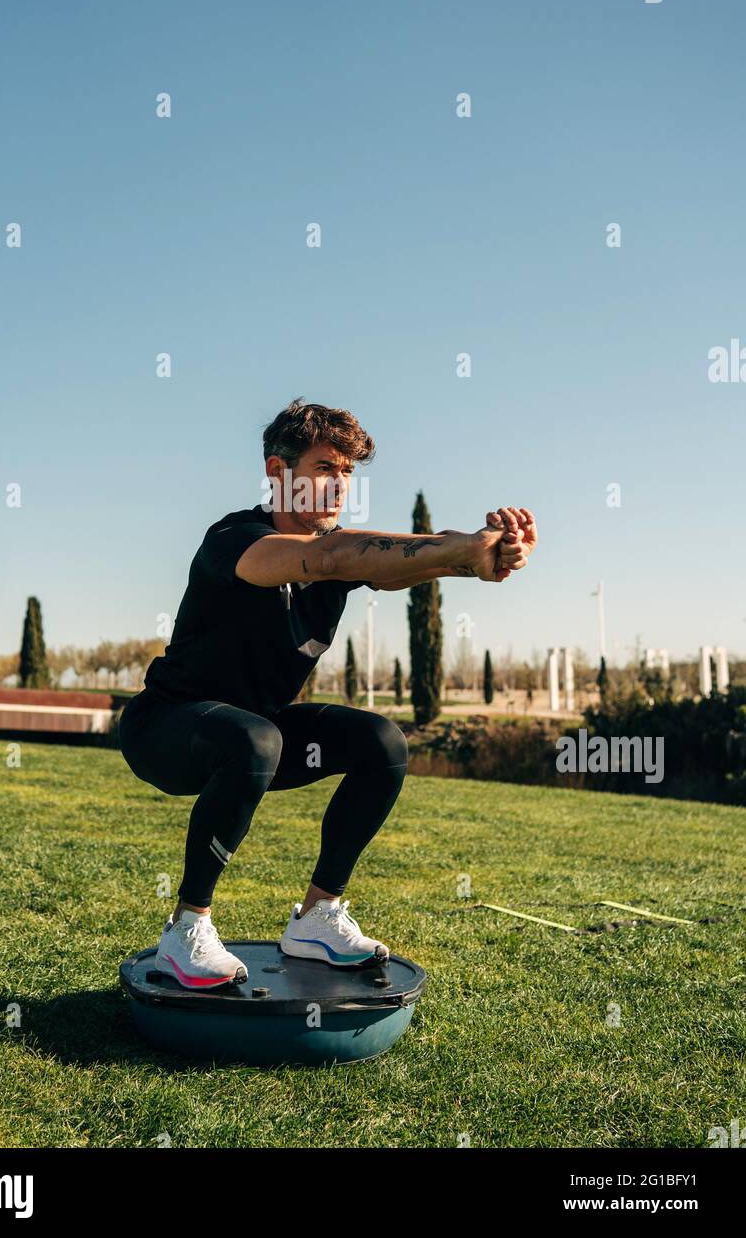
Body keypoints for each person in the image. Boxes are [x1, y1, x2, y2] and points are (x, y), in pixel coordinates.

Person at [119, 399, 537, 989]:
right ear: (277, 471)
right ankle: (186, 929)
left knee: (380, 742)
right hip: (166, 731)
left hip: (255, 734)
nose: (339, 485)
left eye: (347, 473)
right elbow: (327, 558)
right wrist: (463, 550)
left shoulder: (338, 550)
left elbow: (392, 561)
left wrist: (481, 556)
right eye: (324, 469)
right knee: (255, 739)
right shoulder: (236, 538)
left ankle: (318, 916)